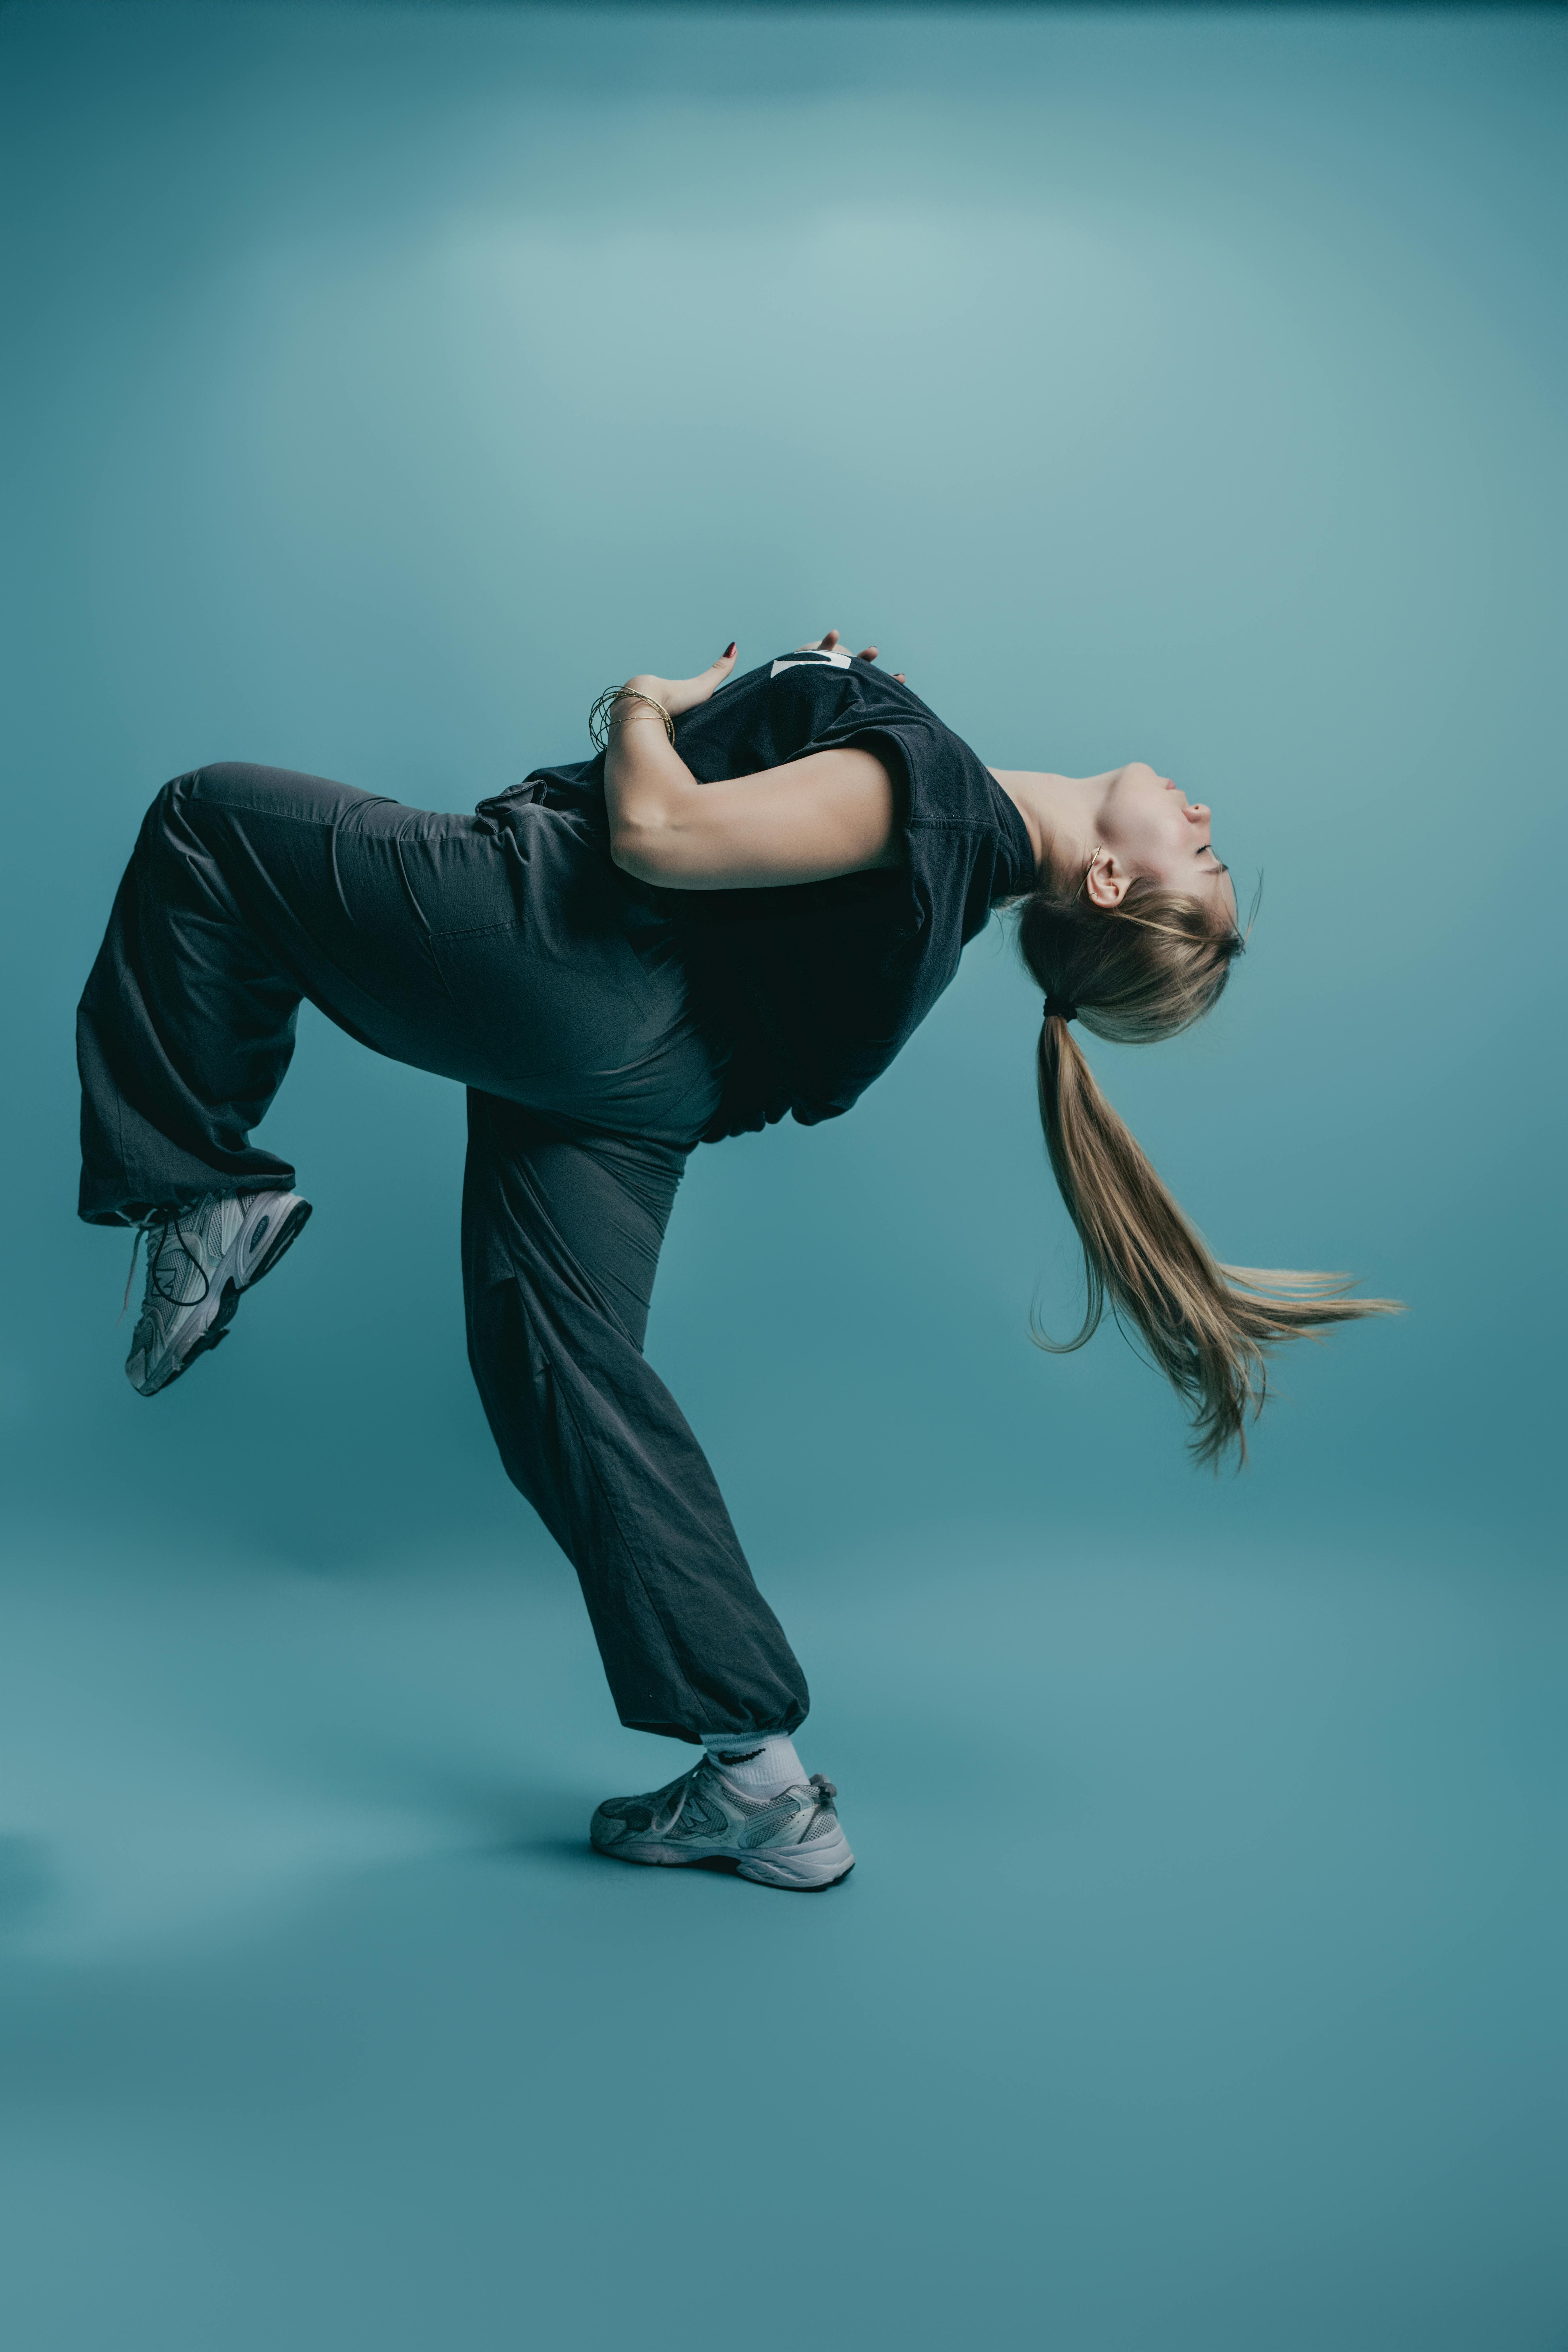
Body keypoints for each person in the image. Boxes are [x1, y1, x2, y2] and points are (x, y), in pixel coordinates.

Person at [76, 631, 1394, 1891]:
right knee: (565, 1373)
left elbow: (655, 834)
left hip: (574, 944)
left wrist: (640, 705)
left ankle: (198, 1188)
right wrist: (806, 692)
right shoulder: (940, 859)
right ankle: (760, 1781)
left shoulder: (934, 805)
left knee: (208, 822)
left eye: (1200, 854)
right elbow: (788, 945)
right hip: (646, 1078)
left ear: (1107, 882)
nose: (1205, 815)